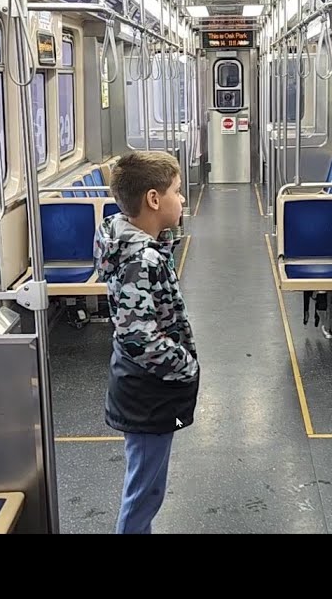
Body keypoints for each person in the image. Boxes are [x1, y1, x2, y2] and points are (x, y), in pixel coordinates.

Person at [94, 150, 198, 534]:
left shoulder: (134, 244)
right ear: (154, 199)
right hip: (146, 390)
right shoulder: (141, 259)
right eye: (177, 191)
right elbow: (139, 338)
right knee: (144, 493)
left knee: (146, 487)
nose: (182, 199)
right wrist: (186, 365)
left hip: (141, 385)